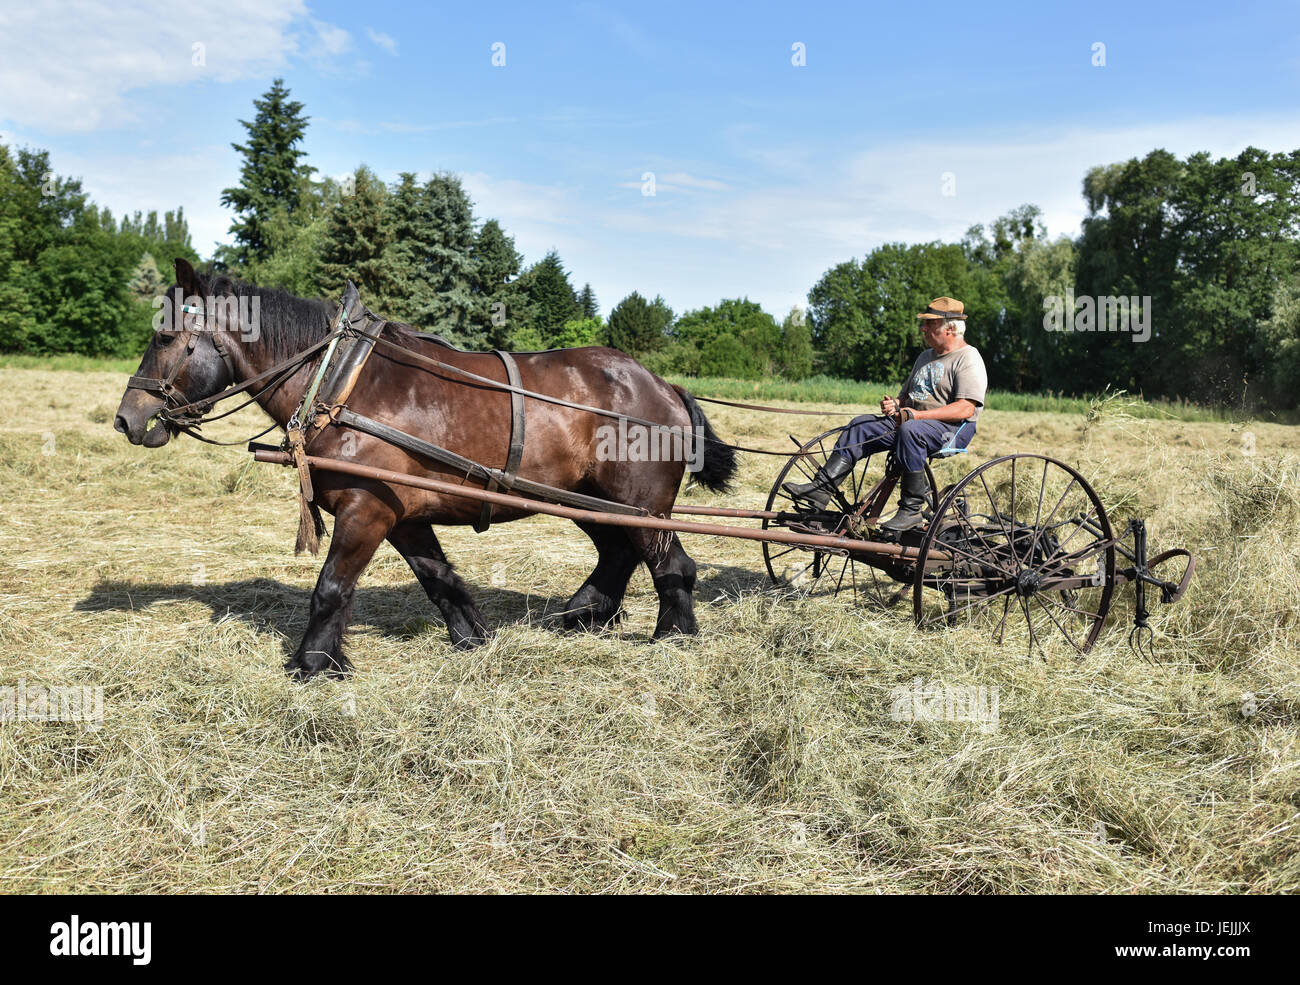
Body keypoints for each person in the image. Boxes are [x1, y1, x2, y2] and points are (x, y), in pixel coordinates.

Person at [783, 296, 988, 533]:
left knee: (910, 431)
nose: (923, 328)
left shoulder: (968, 358)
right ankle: (820, 489)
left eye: (929, 324)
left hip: (951, 430)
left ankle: (910, 510)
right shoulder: (925, 357)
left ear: (950, 328)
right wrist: (895, 404)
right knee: (861, 425)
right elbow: (907, 397)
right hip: (911, 423)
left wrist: (916, 417)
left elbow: (966, 408)